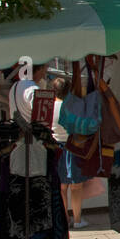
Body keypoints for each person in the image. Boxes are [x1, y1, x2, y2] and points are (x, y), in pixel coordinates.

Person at [50, 78, 89, 229]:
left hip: (56, 148)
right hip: (72, 147)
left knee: (62, 187)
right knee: (76, 186)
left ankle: (64, 218)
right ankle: (78, 219)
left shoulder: (51, 106)